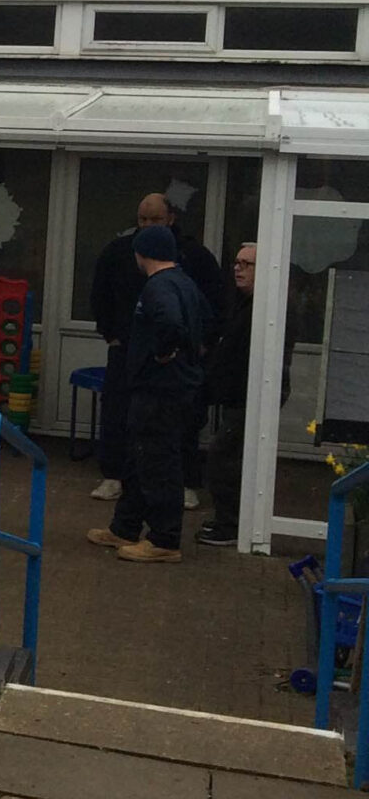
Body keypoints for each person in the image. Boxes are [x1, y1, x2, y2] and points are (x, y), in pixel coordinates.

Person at [89, 192, 227, 507]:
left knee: (181, 419)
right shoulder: (119, 252)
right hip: (127, 351)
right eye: (143, 219)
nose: (148, 225)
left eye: (155, 219)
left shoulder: (190, 258)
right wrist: (110, 334)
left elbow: (213, 305)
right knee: (120, 414)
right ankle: (116, 476)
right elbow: (100, 294)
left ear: (171, 220)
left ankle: (185, 482)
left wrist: (200, 345)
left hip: (175, 359)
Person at [197, 243, 294, 548]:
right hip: (236, 394)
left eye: (247, 264)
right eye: (237, 263)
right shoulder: (241, 302)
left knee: (222, 456)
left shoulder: (268, 309)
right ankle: (230, 518)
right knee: (231, 457)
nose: (238, 268)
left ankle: (231, 523)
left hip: (251, 395)